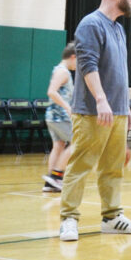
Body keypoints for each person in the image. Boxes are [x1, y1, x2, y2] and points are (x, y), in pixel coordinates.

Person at [59, 0, 131, 242]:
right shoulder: (90, 24)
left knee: (113, 167)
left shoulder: (119, 29)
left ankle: (112, 217)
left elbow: (120, 72)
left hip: (117, 111)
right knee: (81, 165)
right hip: (92, 111)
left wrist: (125, 105)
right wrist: (101, 99)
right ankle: (69, 219)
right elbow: (88, 64)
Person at [41, 42, 77, 192]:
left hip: (52, 116)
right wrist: (67, 107)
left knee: (59, 145)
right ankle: (57, 176)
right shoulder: (63, 72)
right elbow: (51, 92)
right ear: (73, 57)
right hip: (59, 116)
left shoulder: (59, 70)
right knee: (78, 142)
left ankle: (51, 182)